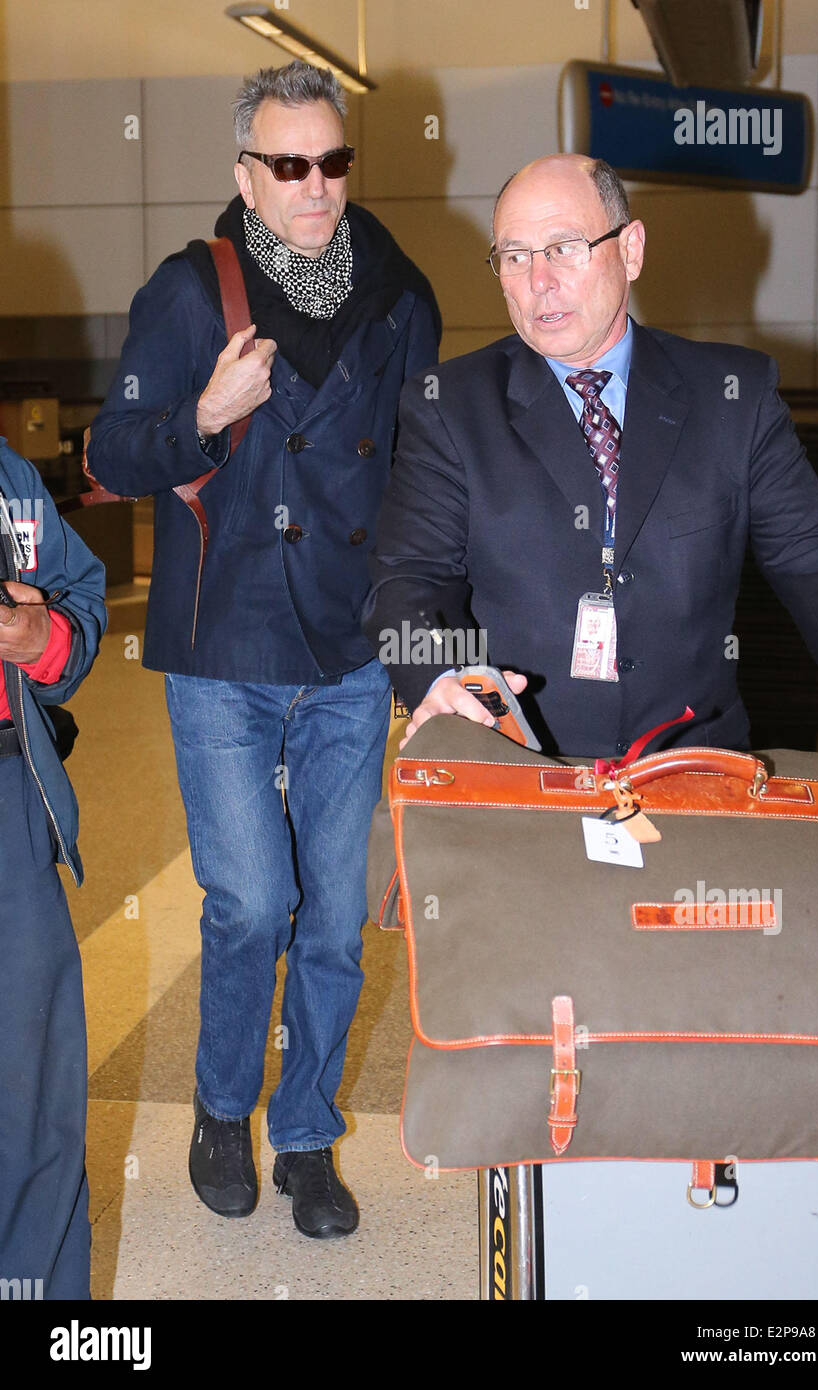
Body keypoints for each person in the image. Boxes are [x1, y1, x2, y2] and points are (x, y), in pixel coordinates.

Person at [87, 62, 440, 1238]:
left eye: (332, 162)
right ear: (246, 174)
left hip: (346, 654)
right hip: (223, 648)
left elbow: (424, 475)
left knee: (333, 919)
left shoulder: (399, 295)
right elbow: (112, 450)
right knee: (250, 904)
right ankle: (218, 1110)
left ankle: (303, 1137)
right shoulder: (192, 292)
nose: (315, 186)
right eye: (288, 165)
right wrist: (200, 416)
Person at [364, 154, 818, 752]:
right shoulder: (449, 405)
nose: (538, 280)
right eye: (515, 256)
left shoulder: (733, 396)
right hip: (520, 766)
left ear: (630, 250)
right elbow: (410, 578)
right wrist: (440, 676)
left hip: (693, 767)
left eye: (565, 247)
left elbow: (811, 553)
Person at [0, 442, 106, 1299]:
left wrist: (44, 638)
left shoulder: (8, 479)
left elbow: (79, 596)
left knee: (32, 1085)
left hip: (8, 797)